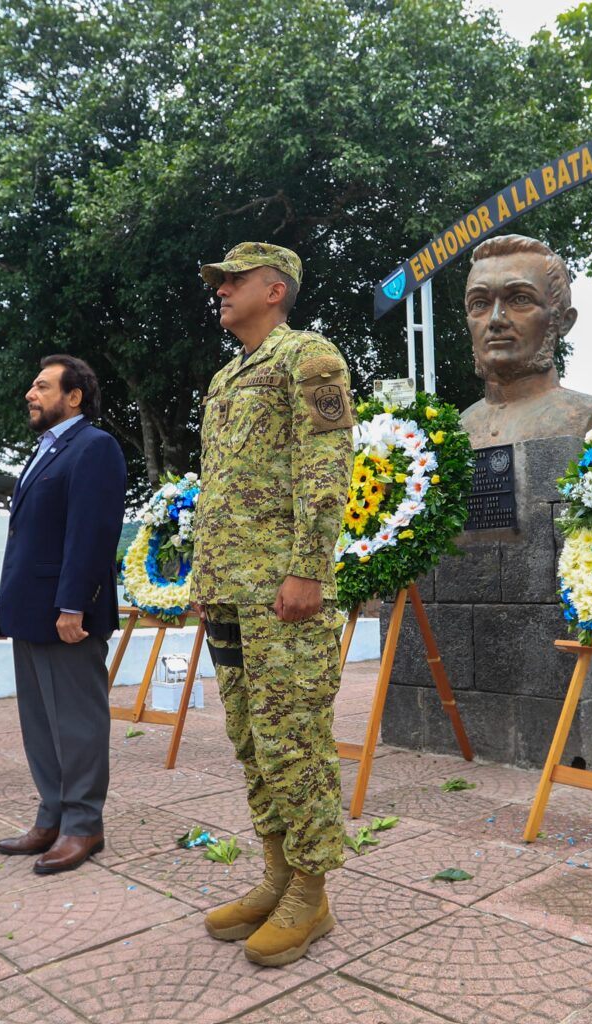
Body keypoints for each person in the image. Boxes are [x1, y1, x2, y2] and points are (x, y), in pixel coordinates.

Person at [190, 242, 354, 967]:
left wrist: (308, 571)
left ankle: (310, 893)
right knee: (252, 741)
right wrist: (204, 584)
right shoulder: (228, 377)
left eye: (234, 280)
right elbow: (220, 487)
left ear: (274, 289)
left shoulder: (309, 358)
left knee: (294, 742)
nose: (221, 290)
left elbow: (326, 470)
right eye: (219, 282)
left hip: (285, 591)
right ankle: (277, 874)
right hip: (230, 590)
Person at [0, 355, 125, 875]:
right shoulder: (42, 452)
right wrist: (5, 601)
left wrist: (74, 603)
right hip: (29, 609)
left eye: (42, 385)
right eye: (33, 383)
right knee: (41, 724)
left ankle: (83, 824)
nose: (30, 392)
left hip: (68, 611)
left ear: (73, 397)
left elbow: (90, 533)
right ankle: (51, 815)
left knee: (76, 722)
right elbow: (25, 538)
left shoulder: (94, 447)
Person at [459, 234, 592, 445]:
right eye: (479, 303)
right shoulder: (459, 429)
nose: (495, 319)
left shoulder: (587, 415)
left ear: (563, 321)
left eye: (520, 299)